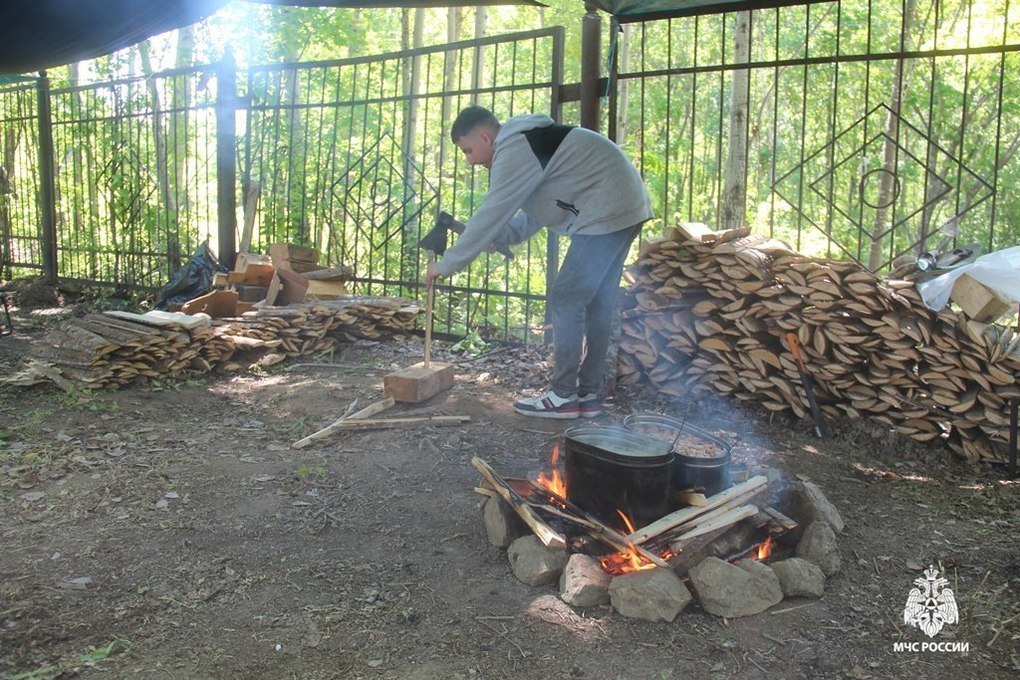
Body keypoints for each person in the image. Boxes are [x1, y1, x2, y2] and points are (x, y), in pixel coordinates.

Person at [426, 105, 652, 419]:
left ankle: (562, 396)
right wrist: (501, 236)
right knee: (598, 300)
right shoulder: (530, 145)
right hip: (625, 205)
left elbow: (492, 210)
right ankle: (587, 394)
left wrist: (447, 263)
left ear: (486, 137)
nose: (471, 160)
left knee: (566, 296)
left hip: (605, 208)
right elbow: (531, 213)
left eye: (468, 150)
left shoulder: (514, 147)